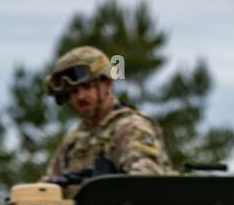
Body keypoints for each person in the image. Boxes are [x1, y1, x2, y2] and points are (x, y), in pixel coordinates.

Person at [44, 45, 172, 188]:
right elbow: (49, 185)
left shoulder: (129, 127)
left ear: (107, 84)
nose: (81, 96)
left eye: (87, 87)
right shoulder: (74, 140)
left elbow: (146, 182)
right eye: (73, 92)